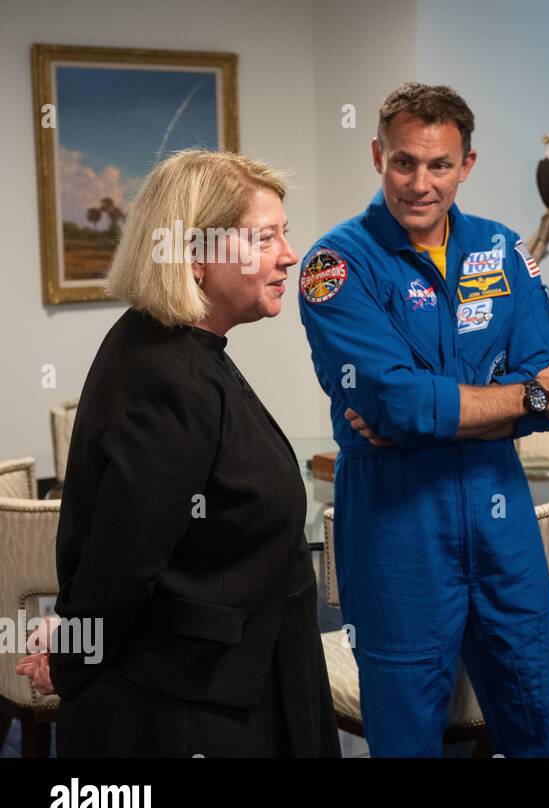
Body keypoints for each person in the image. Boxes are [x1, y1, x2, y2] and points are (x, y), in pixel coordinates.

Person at [16, 149, 340, 757]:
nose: (289, 256)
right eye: (264, 238)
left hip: (228, 677)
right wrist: (71, 655)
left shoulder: (182, 349)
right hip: (192, 704)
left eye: (284, 235)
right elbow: (122, 558)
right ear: (194, 258)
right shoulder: (169, 372)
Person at [297, 83, 549, 757]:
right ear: (377, 155)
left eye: (440, 165)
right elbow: (401, 404)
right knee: (406, 737)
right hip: (398, 530)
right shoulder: (335, 266)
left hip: (502, 519)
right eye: (404, 163)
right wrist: (523, 397)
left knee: (542, 716)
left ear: (468, 164)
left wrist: (436, 412)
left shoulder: (501, 247)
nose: (421, 184)